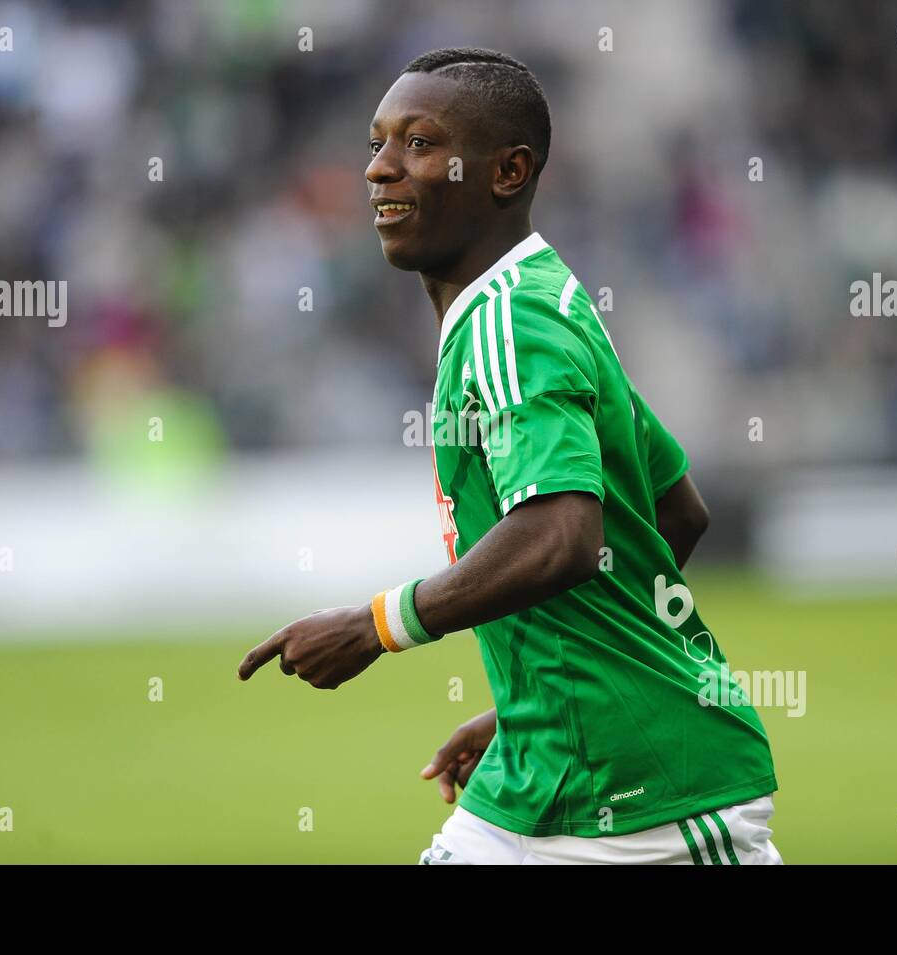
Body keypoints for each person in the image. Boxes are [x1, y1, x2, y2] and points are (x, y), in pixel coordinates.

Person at [239, 47, 780, 865]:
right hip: (552, 773)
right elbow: (676, 510)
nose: (379, 169)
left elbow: (562, 533)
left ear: (508, 171)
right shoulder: (542, 300)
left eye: (418, 144)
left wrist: (375, 625)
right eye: (376, 143)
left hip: (650, 798)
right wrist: (540, 697)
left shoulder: (509, 323)